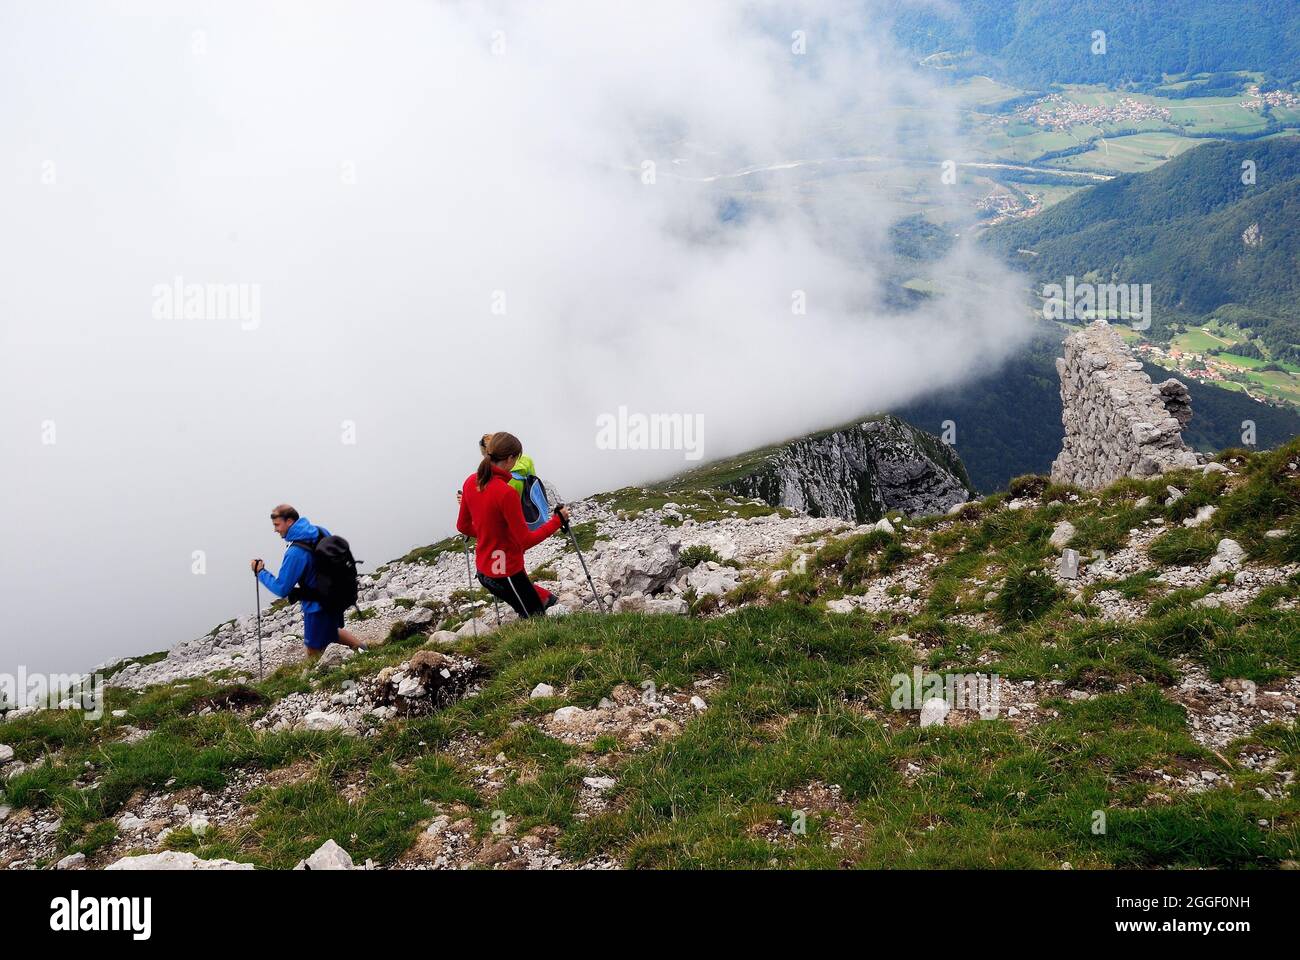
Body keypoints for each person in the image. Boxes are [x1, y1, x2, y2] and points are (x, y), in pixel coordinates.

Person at [457, 432, 568, 618]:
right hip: (506, 572)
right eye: (517, 457)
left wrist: (490, 534)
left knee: (535, 607)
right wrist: (558, 521)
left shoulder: (470, 481)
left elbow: (463, 526)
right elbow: (525, 540)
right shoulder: (506, 493)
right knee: (535, 616)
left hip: (485, 570)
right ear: (510, 459)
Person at [251, 504, 365, 660]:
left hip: (316, 607)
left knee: (312, 649)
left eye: (277, 525)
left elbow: (282, 588)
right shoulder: (319, 531)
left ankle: (316, 680)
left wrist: (260, 572)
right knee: (330, 632)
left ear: (289, 522)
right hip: (336, 595)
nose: (275, 530)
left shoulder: (295, 553)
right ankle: (363, 651)